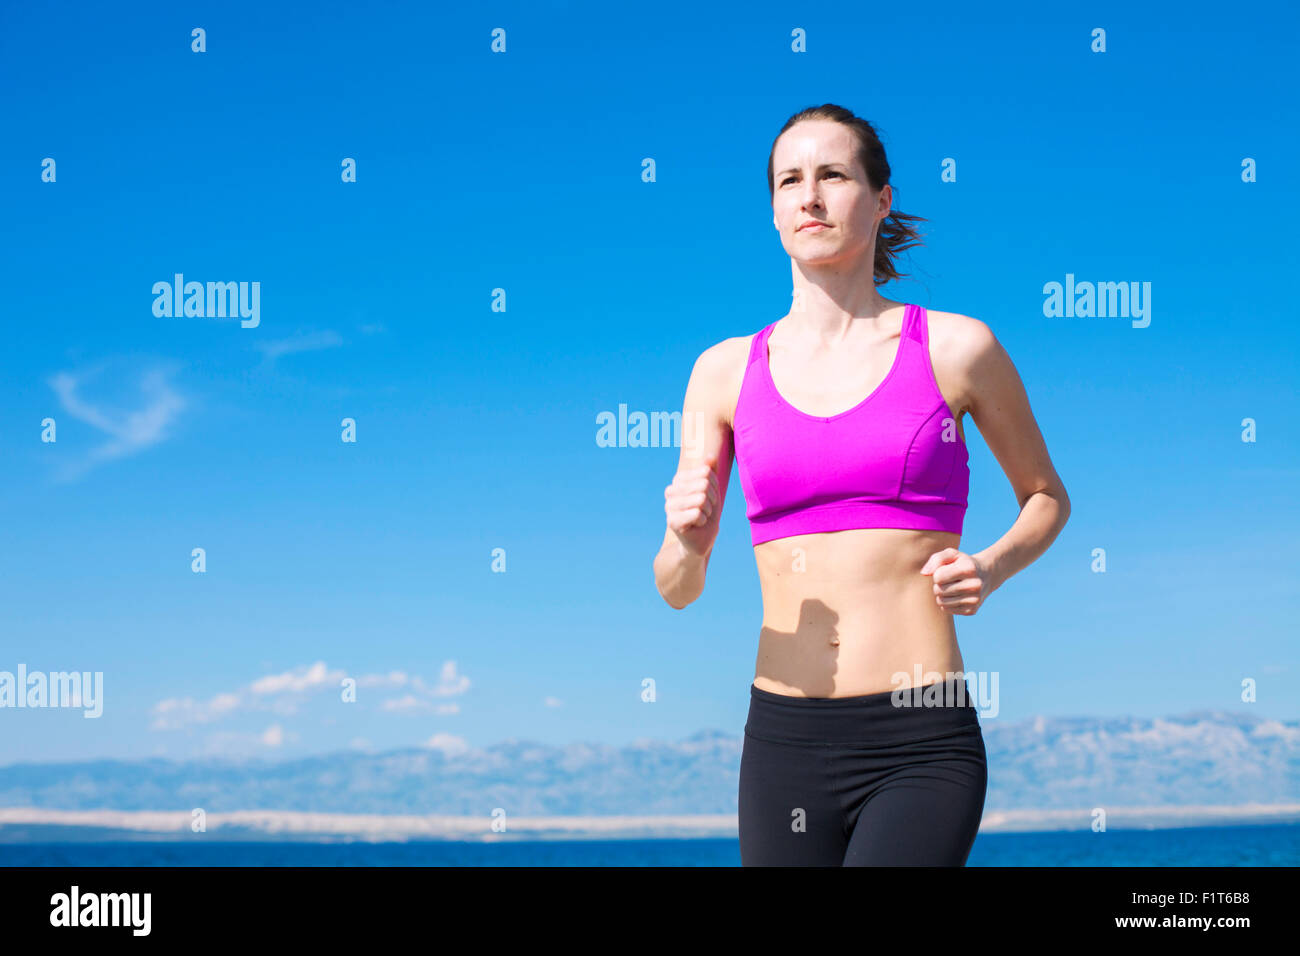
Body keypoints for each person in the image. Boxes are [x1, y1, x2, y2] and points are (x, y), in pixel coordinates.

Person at [651, 103, 1071, 866]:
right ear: (774, 211)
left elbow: (1046, 496)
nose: (809, 196)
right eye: (790, 180)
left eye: (833, 175)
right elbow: (677, 587)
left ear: (880, 199)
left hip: (921, 731)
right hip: (783, 738)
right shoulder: (721, 372)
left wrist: (991, 566)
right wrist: (687, 539)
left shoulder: (955, 347)